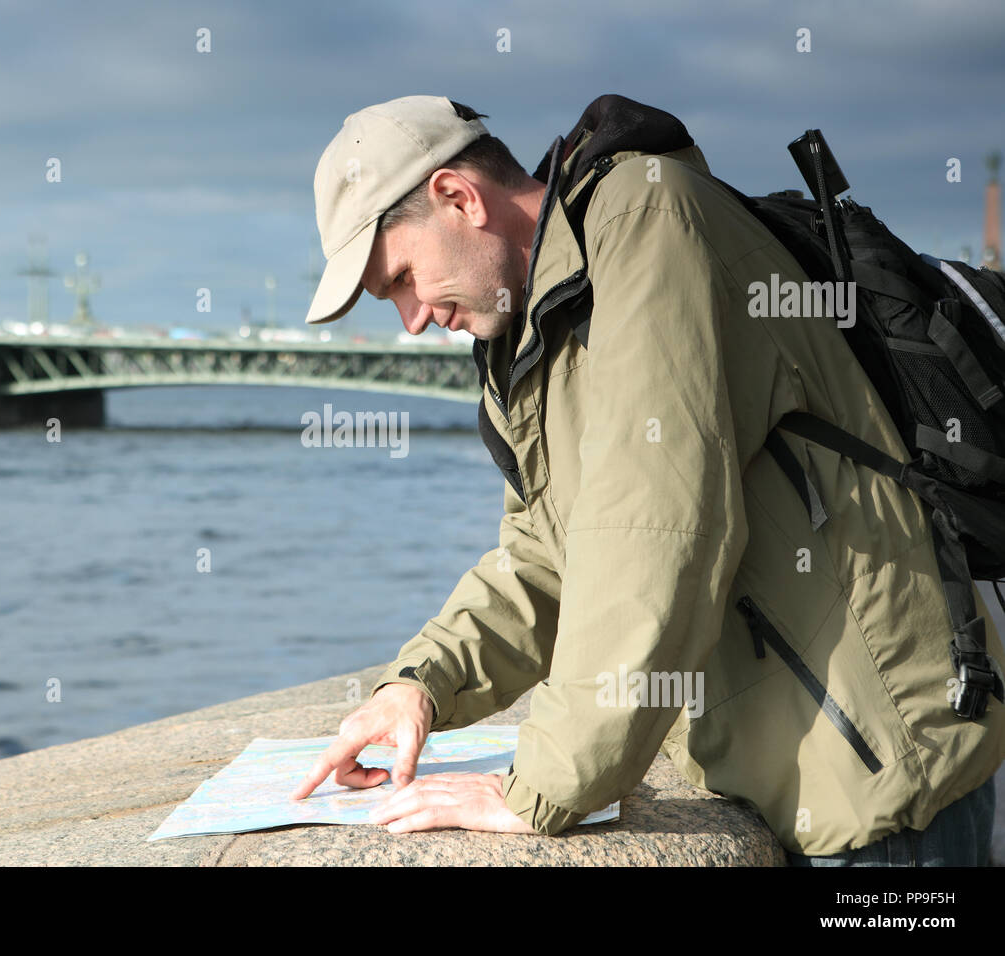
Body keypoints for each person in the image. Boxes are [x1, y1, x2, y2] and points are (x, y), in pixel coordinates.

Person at [289, 93, 1005, 864]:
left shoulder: (642, 218)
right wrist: (418, 684)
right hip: (784, 767)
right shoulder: (543, 323)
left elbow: (654, 520)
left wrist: (543, 786)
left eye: (400, 278)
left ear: (458, 197)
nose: (412, 320)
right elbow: (544, 555)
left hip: (878, 790)